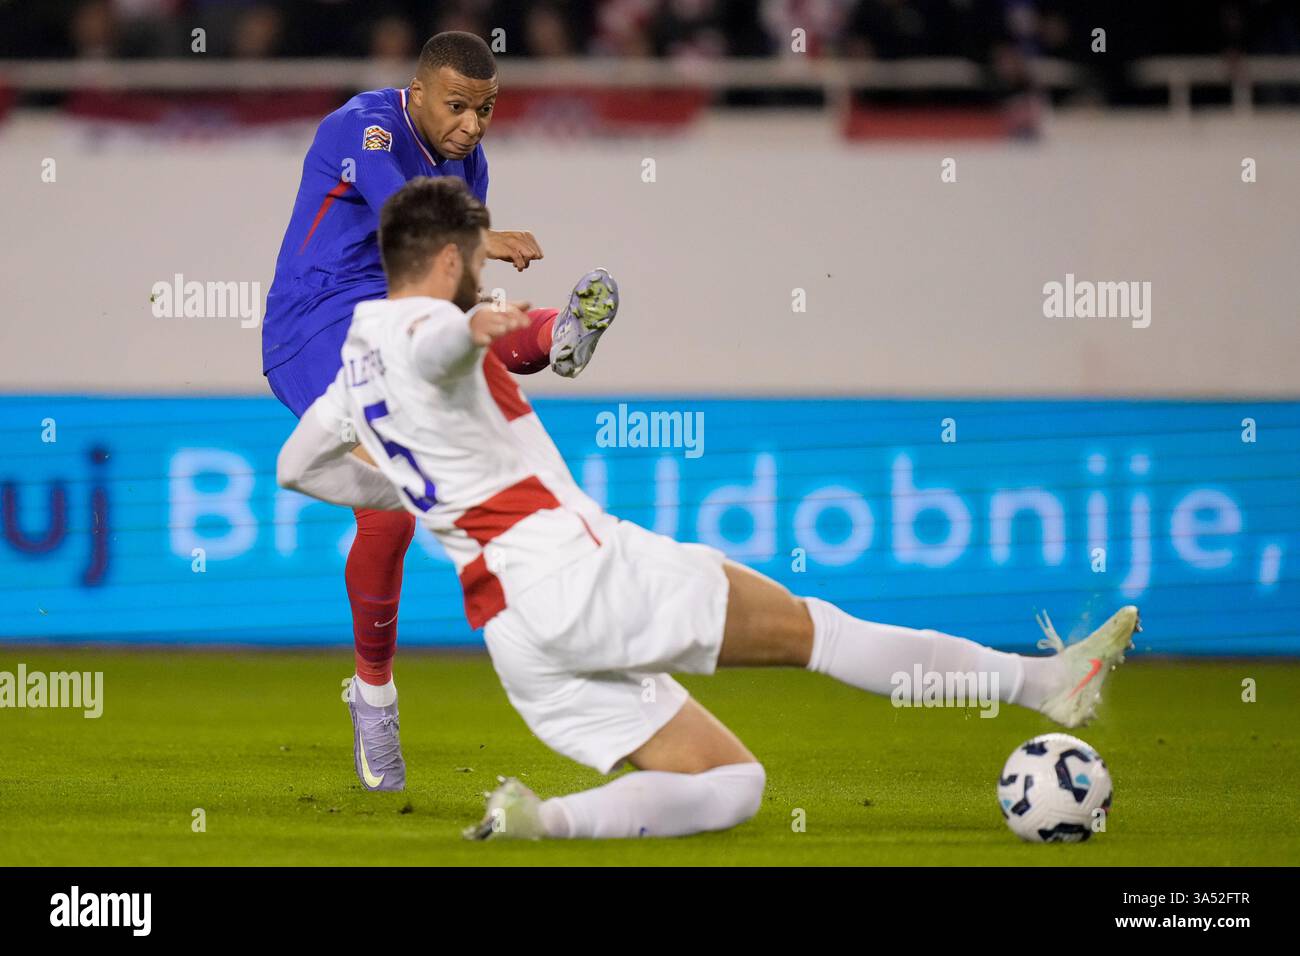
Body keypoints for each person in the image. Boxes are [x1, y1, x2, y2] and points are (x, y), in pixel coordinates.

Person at [276, 177, 1140, 840]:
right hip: (580, 577)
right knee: (823, 632)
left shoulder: (352, 363)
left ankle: (548, 820)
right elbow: (435, 341)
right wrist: (482, 325)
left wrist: (412, 497)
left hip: (515, 637)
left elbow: (296, 467)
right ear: (456, 262)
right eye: (477, 267)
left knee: (735, 786)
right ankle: (1049, 685)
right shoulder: (425, 330)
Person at [263, 32, 618, 791]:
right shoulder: (363, 127)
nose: (473, 125)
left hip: (394, 315)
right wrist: (487, 242)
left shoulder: (467, 159)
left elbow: (442, 279)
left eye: (486, 109)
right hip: (315, 323)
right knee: (392, 511)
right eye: (457, 106)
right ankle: (374, 697)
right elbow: (408, 222)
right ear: (417, 91)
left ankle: (554, 334)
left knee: (463, 352)